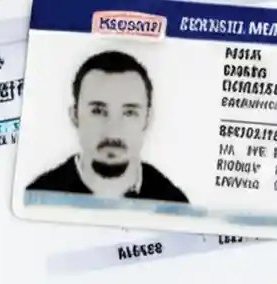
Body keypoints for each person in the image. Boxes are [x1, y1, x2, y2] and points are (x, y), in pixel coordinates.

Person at [27, 50, 188, 203]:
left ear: (147, 119)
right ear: (75, 116)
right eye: (98, 111)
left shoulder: (174, 204)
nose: (113, 132)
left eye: (129, 113)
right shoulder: (37, 197)